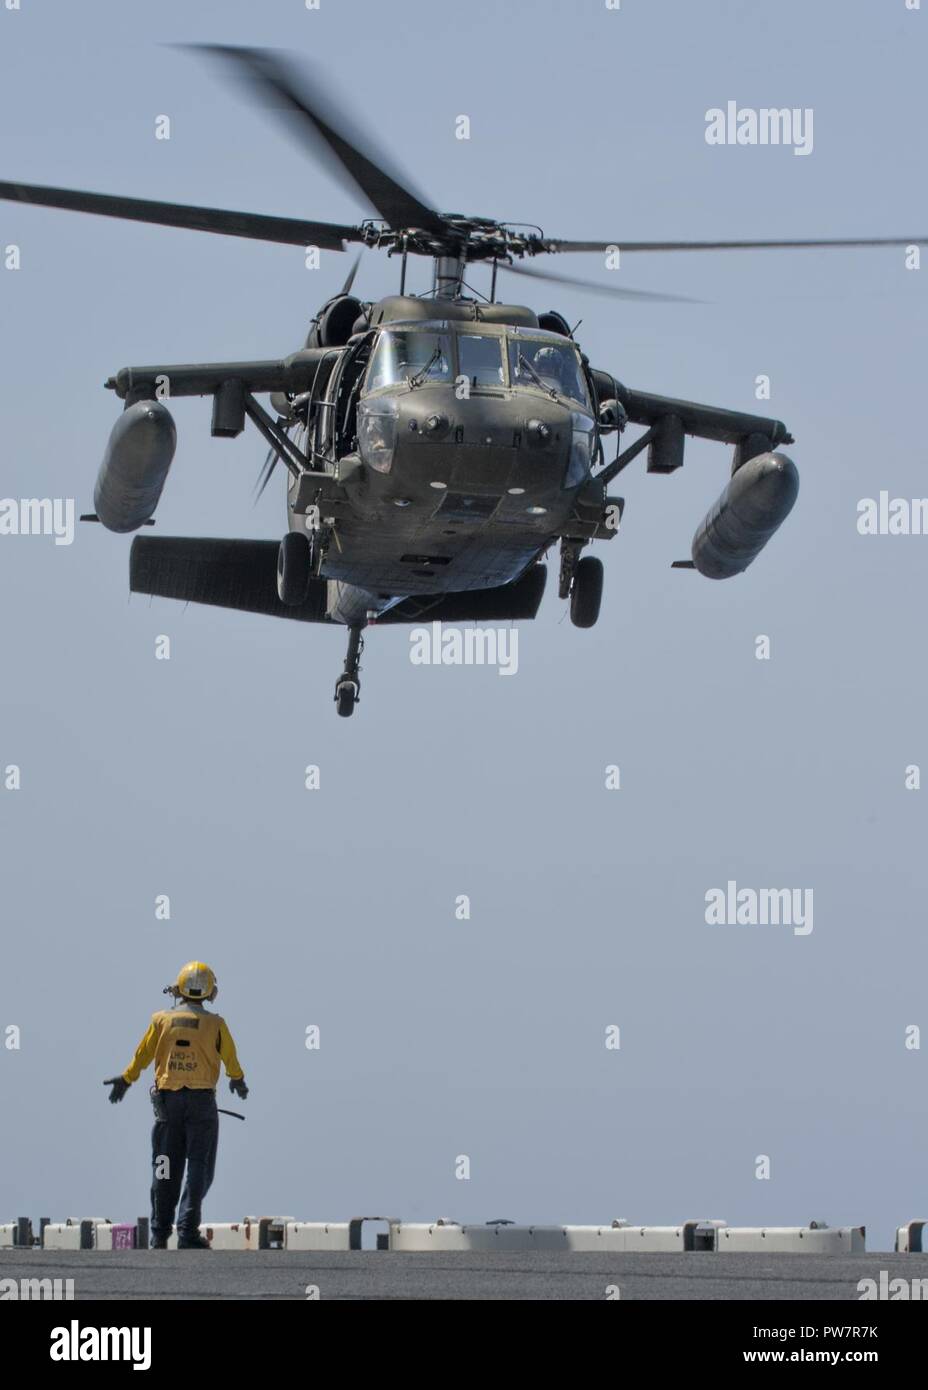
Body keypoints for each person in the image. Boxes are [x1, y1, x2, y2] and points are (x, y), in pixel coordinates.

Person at [104, 961, 247, 1250]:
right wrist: (237, 1080)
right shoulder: (215, 1024)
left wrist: (127, 1079)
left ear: (179, 988)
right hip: (201, 1105)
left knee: (164, 1167)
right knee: (198, 1167)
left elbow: (142, 1055)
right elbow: (231, 1058)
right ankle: (187, 1231)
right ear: (209, 991)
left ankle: (159, 1234)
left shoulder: (161, 1020)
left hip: (168, 1106)